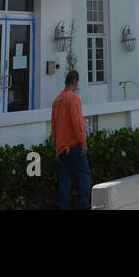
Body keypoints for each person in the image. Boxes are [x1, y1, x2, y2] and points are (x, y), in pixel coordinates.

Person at [51, 69, 90, 210]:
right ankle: (83, 206)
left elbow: (54, 126)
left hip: (62, 148)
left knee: (65, 180)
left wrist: (57, 146)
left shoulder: (56, 101)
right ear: (75, 82)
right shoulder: (74, 98)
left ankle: (64, 207)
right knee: (84, 176)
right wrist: (83, 143)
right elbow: (78, 122)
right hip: (73, 146)